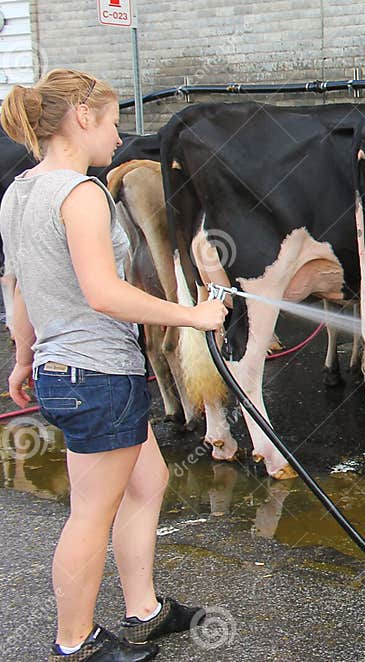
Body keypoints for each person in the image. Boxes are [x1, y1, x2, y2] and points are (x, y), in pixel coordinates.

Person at [0, 69, 228, 662]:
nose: (119, 132)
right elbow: (103, 292)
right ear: (82, 116)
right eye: (112, 119)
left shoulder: (20, 191)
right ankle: (74, 642)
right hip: (97, 375)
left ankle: (144, 610)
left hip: (66, 369)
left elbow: (22, 285)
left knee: (148, 482)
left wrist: (24, 357)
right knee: (91, 514)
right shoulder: (81, 194)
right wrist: (191, 316)